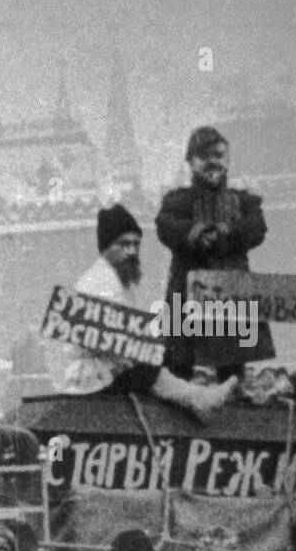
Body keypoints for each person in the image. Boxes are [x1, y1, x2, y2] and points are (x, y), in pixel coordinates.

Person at [48, 203, 236, 420]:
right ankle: (198, 400)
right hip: (94, 376)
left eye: (136, 244)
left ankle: (196, 397)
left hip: (108, 369)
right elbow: (110, 342)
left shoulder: (118, 281)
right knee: (148, 366)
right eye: (123, 244)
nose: (131, 251)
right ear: (106, 247)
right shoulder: (97, 283)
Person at [156, 125, 270, 381]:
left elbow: (257, 228)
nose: (213, 163)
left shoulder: (244, 202)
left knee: (233, 369)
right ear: (191, 162)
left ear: (227, 160)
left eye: (218, 156)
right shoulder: (177, 201)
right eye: (205, 157)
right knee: (179, 365)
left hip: (231, 291)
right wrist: (196, 234)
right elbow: (165, 226)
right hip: (185, 292)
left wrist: (226, 232)